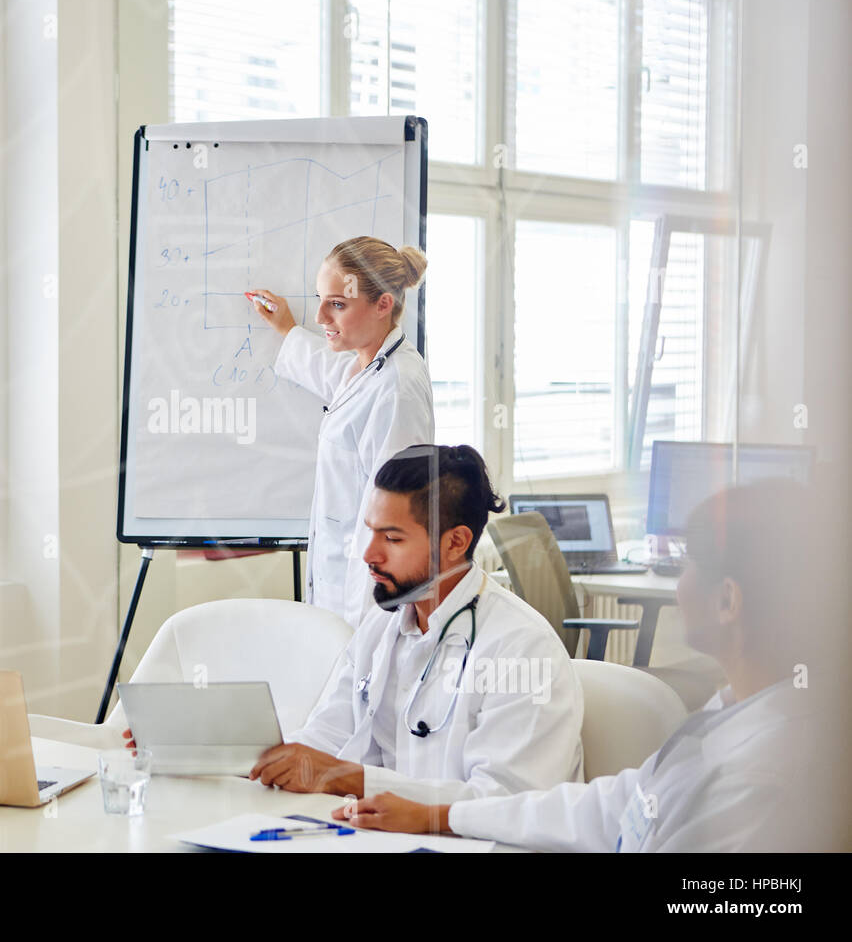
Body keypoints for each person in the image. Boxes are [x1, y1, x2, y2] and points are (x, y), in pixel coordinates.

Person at [330, 479, 838, 851]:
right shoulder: (734, 712)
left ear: (728, 601)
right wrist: (439, 815)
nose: (680, 583)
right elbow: (609, 807)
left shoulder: (766, 782)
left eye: (686, 564)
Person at [247, 444, 584, 801]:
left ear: (456, 542)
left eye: (392, 538)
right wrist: (265, 761)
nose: (369, 554)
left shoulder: (522, 649)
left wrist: (350, 780)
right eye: (370, 532)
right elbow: (326, 737)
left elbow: (504, 803)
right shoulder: (380, 628)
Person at [249, 236, 434, 628]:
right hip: (338, 597)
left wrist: (366, 624)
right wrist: (287, 329)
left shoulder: (398, 388)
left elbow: (396, 518)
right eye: (320, 299)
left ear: (383, 304)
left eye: (336, 304)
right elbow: (332, 375)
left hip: (365, 607)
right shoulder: (366, 369)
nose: (319, 317)